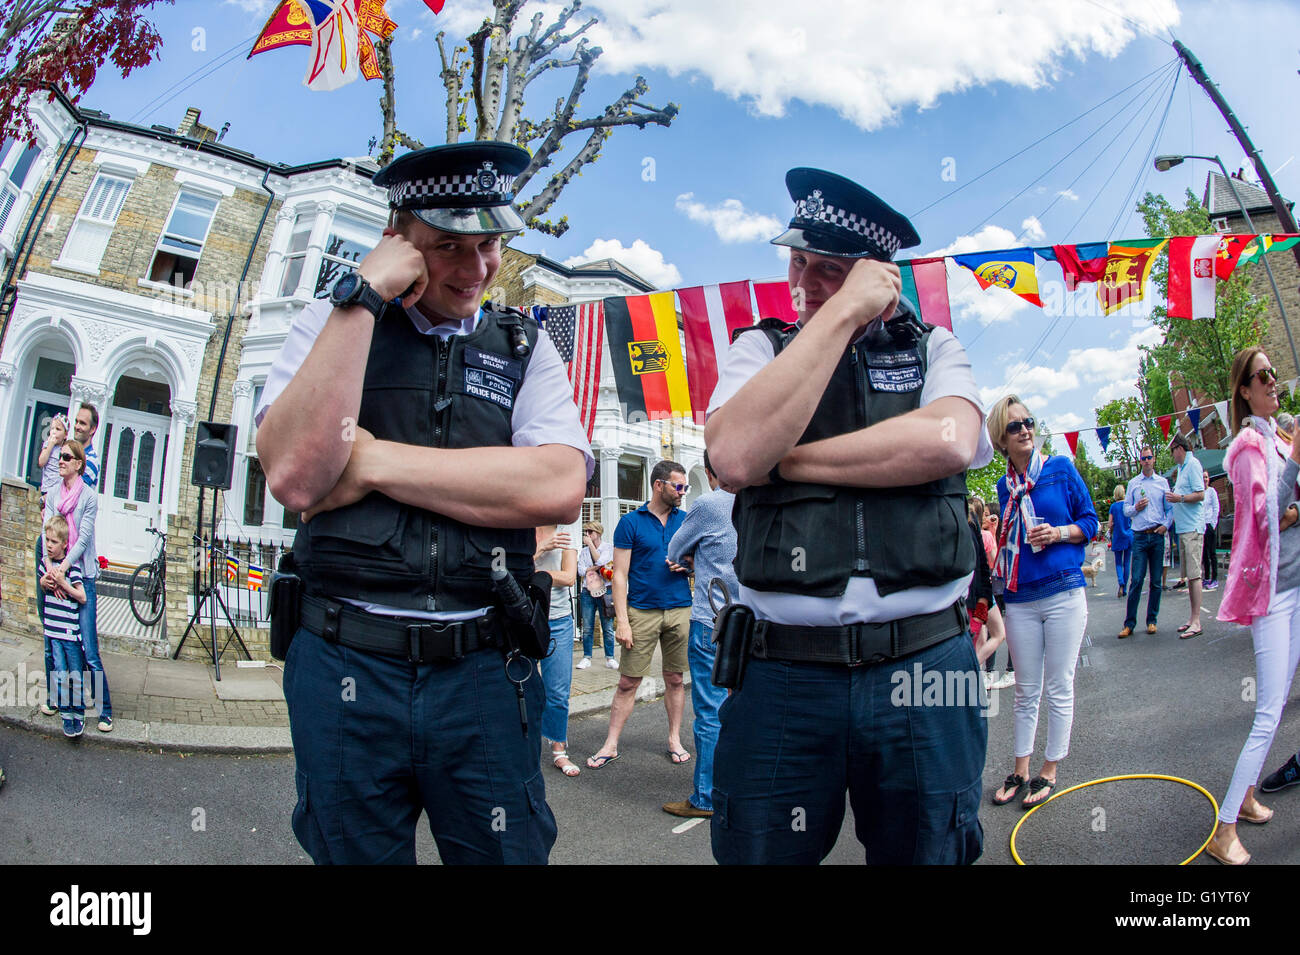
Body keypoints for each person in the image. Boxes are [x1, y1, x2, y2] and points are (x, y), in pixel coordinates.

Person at [256, 141, 591, 865]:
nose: (476, 270)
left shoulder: (525, 345)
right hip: (346, 662)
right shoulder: (332, 323)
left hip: (482, 671)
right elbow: (293, 475)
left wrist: (371, 460)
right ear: (398, 241)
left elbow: (557, 486)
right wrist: (361, 298)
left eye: (490, 244)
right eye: (447, 247)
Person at [705, 168, 992, 864]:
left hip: (926, 665)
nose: (803, 284)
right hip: (782, 672)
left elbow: (948, 441)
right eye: (797, 262)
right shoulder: (760, 349)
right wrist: (836, 314)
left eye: (828, 272)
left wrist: (792, 457)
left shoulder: (933, 348)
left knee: (932, 847)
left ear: (878, 279)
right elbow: (736, 454)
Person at [1208, 348, 1300, 865]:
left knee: (1278, 703)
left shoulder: (1276, 439)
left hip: (1297, 582)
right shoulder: (1246, 446)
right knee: (1267, 713)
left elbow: (1292, 506)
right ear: (1243, 390)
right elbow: (1262, 518)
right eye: (1260, 375)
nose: (1271, 381)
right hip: (1274, 592)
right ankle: (1223, 829)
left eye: (1272, 373)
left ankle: (1244, 797)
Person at [987, 397, 1098, 809]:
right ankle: (1020, 769)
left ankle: (1049, 770)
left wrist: (1059, 534)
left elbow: (1090, 521)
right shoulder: (1003, 486)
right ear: (1002, 438)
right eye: (1015, 426)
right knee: (1025, 690)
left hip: (1064, 590)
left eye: (1029, 422)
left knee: (1058, 685)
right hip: (1019, 597)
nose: (1026, 430)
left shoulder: (1060, 468)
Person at [586, 460, 692, 770]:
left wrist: (688, 567)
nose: (683, 492)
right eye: (678, 486)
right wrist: (622, 620)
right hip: (641, 611)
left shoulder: (686, 521)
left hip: (680, 609)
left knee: (674, 679)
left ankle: (674, 739)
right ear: (659, 485)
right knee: (628, 682)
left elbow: (697, 562)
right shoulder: (630, 522)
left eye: (685, 486)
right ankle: (610, 744)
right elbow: (618, 575)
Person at [662, 452, 737, 819]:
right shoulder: (761, 501)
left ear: (710, 473)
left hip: (713, 619)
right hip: (755, 622)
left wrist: (695, 560)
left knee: (710, 711)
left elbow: (674, 550)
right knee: (747, 708)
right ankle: (743, 787)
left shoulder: (709, 504)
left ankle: (706, 796)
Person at [37, 439, 111, 731]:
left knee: (88, 650)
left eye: (67, 456)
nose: (61, 459)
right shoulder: (53, 492)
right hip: (55, 570)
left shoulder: (89, 497)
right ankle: (57, 699)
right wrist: (50, 569)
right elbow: (47, 535)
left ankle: (104, 710)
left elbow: (82, 539)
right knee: (51, 642)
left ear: (79, 464)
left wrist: (63, 571)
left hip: (81, 574)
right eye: (60, 456)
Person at [535, 522, 581, 777]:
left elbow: (569, 577)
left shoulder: (566, 529)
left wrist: (537, 575)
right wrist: (540, 550)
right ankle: (522, 746)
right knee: (521, 689)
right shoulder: (521, 526)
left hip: (559, 621)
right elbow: (507, 570)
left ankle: (558, 749)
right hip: (523, 619)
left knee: (558, 690)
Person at [40, 515, 88, 738]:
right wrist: (44, 582)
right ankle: (66, 713)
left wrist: (63, 584)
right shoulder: (45, 565)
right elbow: (43, 587)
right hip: (52, 631)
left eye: (54, 542)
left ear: (64, 544)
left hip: (70, 634)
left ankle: (79, 712)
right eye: (47, 541)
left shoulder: (72, 567)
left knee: (75, 673)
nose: (49, 545)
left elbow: (82, 597)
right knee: (59, 673)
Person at [1118, 445, 1173, 638]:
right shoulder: (1133, 483)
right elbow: (1126, 510)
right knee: (1137, 580)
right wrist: (1136, 507)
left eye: (1149, 457)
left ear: (1154, 459)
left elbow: (1170, 509)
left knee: (1156, 581)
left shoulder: (1162, 483)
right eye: (1144, 458)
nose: (1147, 461)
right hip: (1140, 535)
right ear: (1139, 461)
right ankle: (1129, 623)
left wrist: (1165, 526)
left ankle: (1152, 620)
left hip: (1157, 534)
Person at [1167, 433, 1207, 639]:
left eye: (1172, 451)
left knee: (1194, 574)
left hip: (1192, 527)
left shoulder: (1193, 465)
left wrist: (1179, 497)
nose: (1172, 455)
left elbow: (1200, 494)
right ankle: (1192, 618)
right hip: (1183, 528)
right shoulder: (1182, 469)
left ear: (1180, 449)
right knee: (1189, 577)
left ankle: (1197, 620)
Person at [575, 521, 617, 669]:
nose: (587, 535)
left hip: (606, 590)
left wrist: (591, 548)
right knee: (587, 626)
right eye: (586, 532)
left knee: (608, 626)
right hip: (588, 591)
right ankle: (587, 657)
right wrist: (594, 567)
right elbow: (580, 571)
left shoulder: (608, 547)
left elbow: (602, 560)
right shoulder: (583, 551)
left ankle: (610, 657)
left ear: (598, 533)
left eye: (590, 532)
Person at [37, 412, 69, 507]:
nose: (54, 432)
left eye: (58, 429)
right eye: (52, 429)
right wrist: (50, 445)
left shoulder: (66, 448)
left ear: (65, 435)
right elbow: (41, 462)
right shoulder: (47, 444)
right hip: (46, 488)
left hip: (59, 490)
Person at [1107, 483, 1132, 599]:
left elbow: (1109, 524)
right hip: (1129, 535)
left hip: (1117, 536)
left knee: (1118, 562)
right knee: (1126, 562)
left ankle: (1120, 582)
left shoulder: (1113, 507)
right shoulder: (1127, 505)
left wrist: (1111, 528)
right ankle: (1125, 587)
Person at [1203, 477, 1221, 591]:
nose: (1204, 479)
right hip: (1201, 525)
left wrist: (1213, 524)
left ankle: (1214, 578)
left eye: (1206, 477)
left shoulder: (1211, 491)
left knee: (1212, 553)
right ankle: (1207, 577)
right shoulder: (1199, 492)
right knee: (1204, 554)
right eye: (1202, 477)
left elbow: (1216, 507)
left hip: (1209, 523)